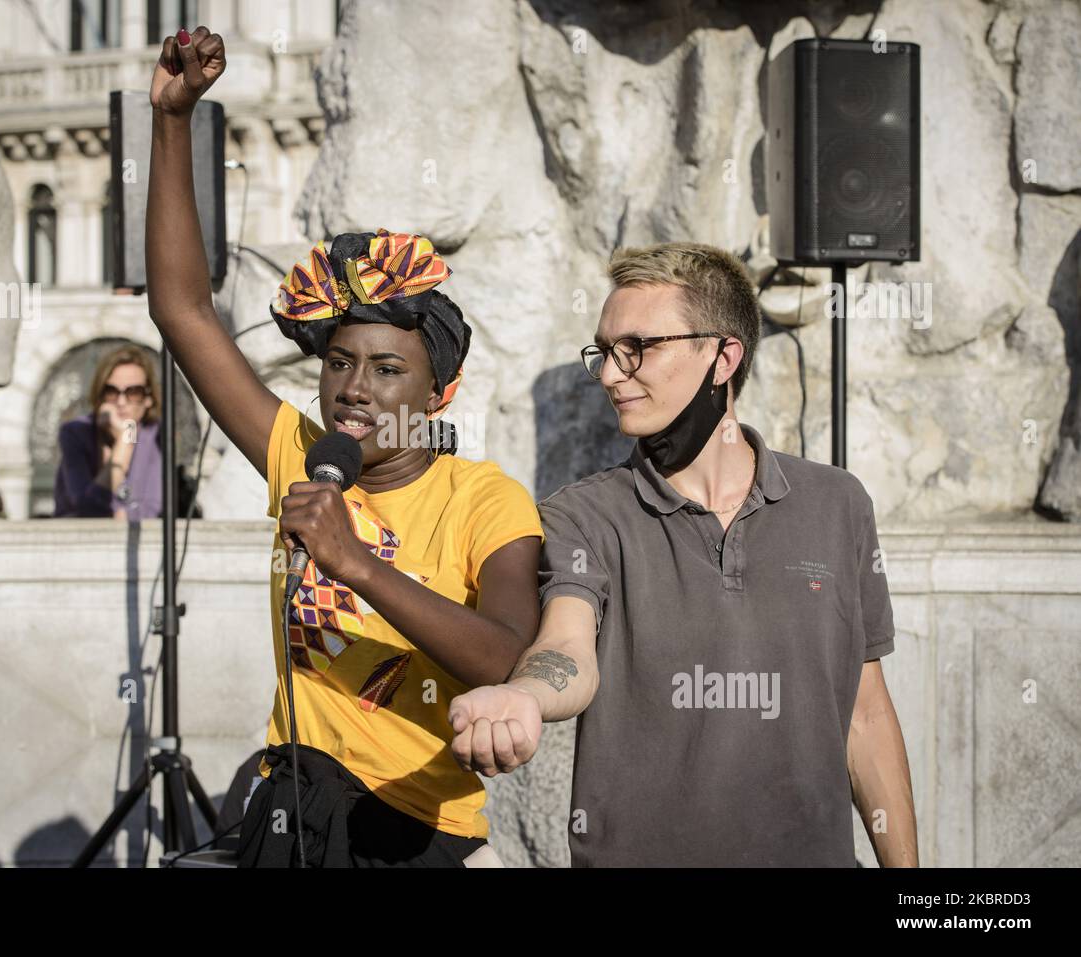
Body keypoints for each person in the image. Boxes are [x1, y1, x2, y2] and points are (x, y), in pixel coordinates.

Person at [145, 26, 543, 867]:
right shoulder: (302, 452)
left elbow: (510, 653)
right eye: (338, 362)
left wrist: (355, 560)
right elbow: (182, 310)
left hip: (412, 831)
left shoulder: (484, 497)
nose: (355, 387)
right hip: (291, 807)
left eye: (388, 368)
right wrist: (174, 120)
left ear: (440, 392)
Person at [449, 242, 919, 867]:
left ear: (723, 356)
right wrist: (526, 696)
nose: (612, 375)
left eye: (638, 349)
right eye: (605, 353)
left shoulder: (839, 505)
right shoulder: (582, 515)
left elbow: (865, 714)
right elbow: (566, 648)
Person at [53, 344, 162, 521]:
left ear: (148, 398)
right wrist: (124, 444)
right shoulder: (75, 433)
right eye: (111, 391)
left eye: (134, 392)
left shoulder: (156, 436)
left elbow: (151, 510)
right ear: (100, 394)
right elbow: (88, 509)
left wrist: (125, 436)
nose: (121, 401)